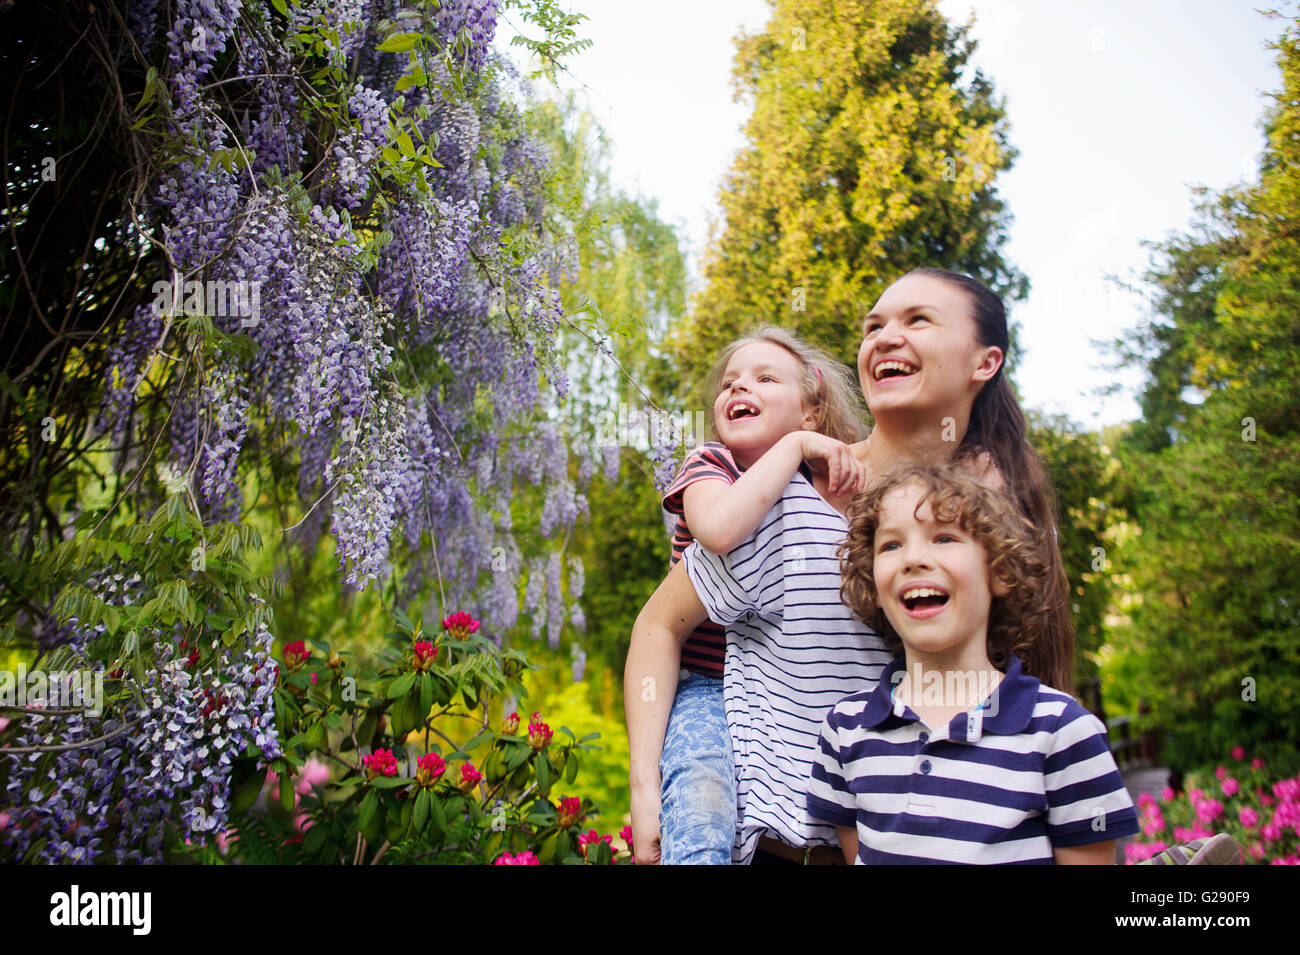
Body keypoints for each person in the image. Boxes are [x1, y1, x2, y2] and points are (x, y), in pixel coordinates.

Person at [626, 268, 1075, 864]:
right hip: (781, 849)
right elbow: (660, 623)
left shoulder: (996, 516)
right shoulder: (781, 501)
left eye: (917, 320)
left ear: (984, 363)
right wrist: (645, 787)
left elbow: (1020, 712)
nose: (885, 337)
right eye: (873, 327)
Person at [808, 462, 1139, 864]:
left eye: (944, 537)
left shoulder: (1062, 731)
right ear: (874, 585)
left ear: (999, 572)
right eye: (891, 545)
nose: (913, 558)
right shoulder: (846, 727)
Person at [641, 326, 870, 864]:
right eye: (729, 383)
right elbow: (720, 530)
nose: (738, 389)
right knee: (703, 801)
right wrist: (792, 448)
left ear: (812, 413)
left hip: (779, 696)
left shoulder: (819, 497)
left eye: (765, 378)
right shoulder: (711, 464)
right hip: (706, 684)